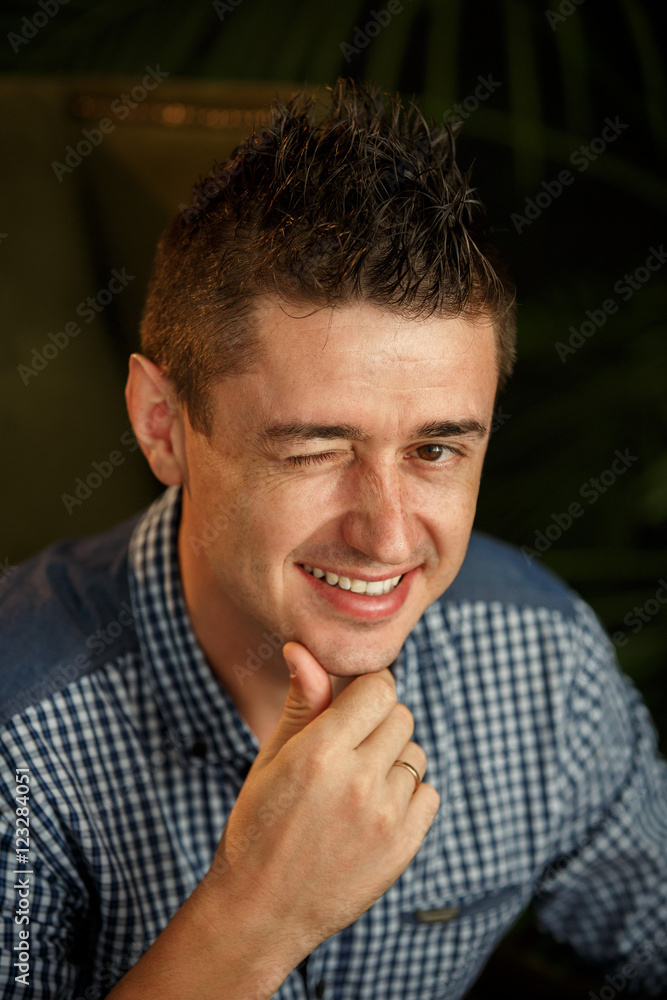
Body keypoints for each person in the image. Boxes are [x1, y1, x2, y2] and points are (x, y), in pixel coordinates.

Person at [1, 77, 665, 1000]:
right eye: (315, 451)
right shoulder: (18, 741)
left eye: (435, 449)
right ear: (162, 424)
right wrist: (258, 913)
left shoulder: (543, 662)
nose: (388, 537)